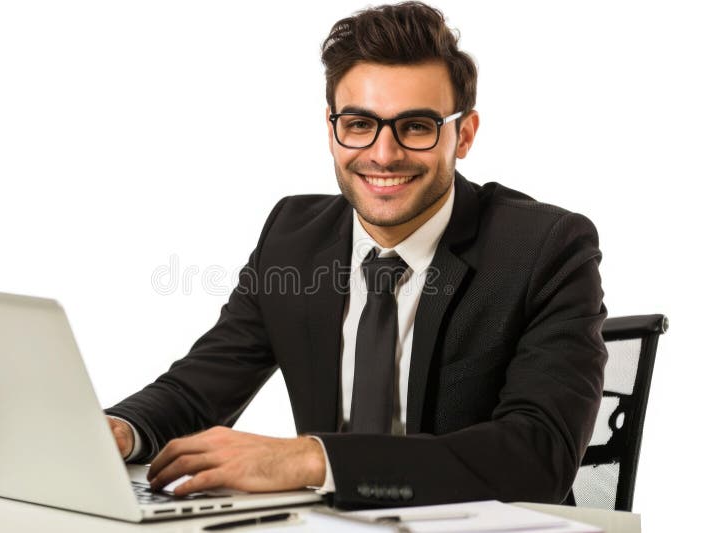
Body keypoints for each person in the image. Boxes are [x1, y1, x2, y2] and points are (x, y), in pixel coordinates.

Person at [105, 1, 607, 509]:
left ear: (465, 135)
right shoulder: (292, 239)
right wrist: (119, 430)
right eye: (360, 123)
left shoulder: (546, 250)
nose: (384, 154)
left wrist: (314, 461)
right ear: (331, 128)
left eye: (416, 126)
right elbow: (198, 392)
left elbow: (537, 456)